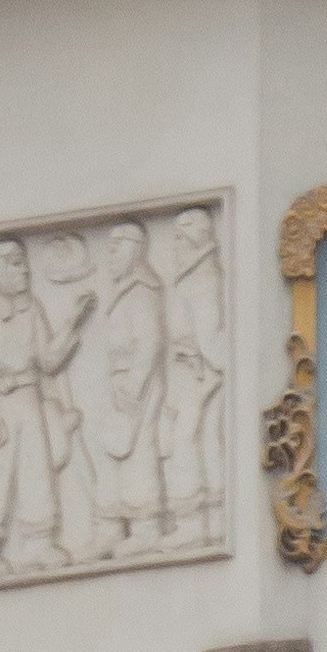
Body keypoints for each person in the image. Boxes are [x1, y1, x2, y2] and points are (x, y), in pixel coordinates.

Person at [0, 232, 87, 575]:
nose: (25, 272)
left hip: (31, 399)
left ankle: (39, 542)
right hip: (3, 403)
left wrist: (72, 323)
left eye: (25, 265)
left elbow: (48, 361)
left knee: (38, 470)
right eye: (17, 266)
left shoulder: (33, 309)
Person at [85, 215, 172, 556]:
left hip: (138, 382)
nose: (109, 256)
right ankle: (108, 528)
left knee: (139, 452)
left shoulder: (142, 290)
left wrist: (135, 386)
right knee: (111, 453)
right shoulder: (124, 289)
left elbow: (151, 341)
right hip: (120, 382)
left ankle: (146, 527)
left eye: (115, 248)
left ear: (135, 250)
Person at [159, 206, 226, 546]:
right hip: (194, 372)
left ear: (192, 240)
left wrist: (213, 363)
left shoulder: (201, 278)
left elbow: (211, 335)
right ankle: (210, 521)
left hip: (198, 375)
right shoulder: (198, 275)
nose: (173, 246)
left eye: (178, 238)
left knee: (187, 441)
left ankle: (192, 523)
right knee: (204, 440)